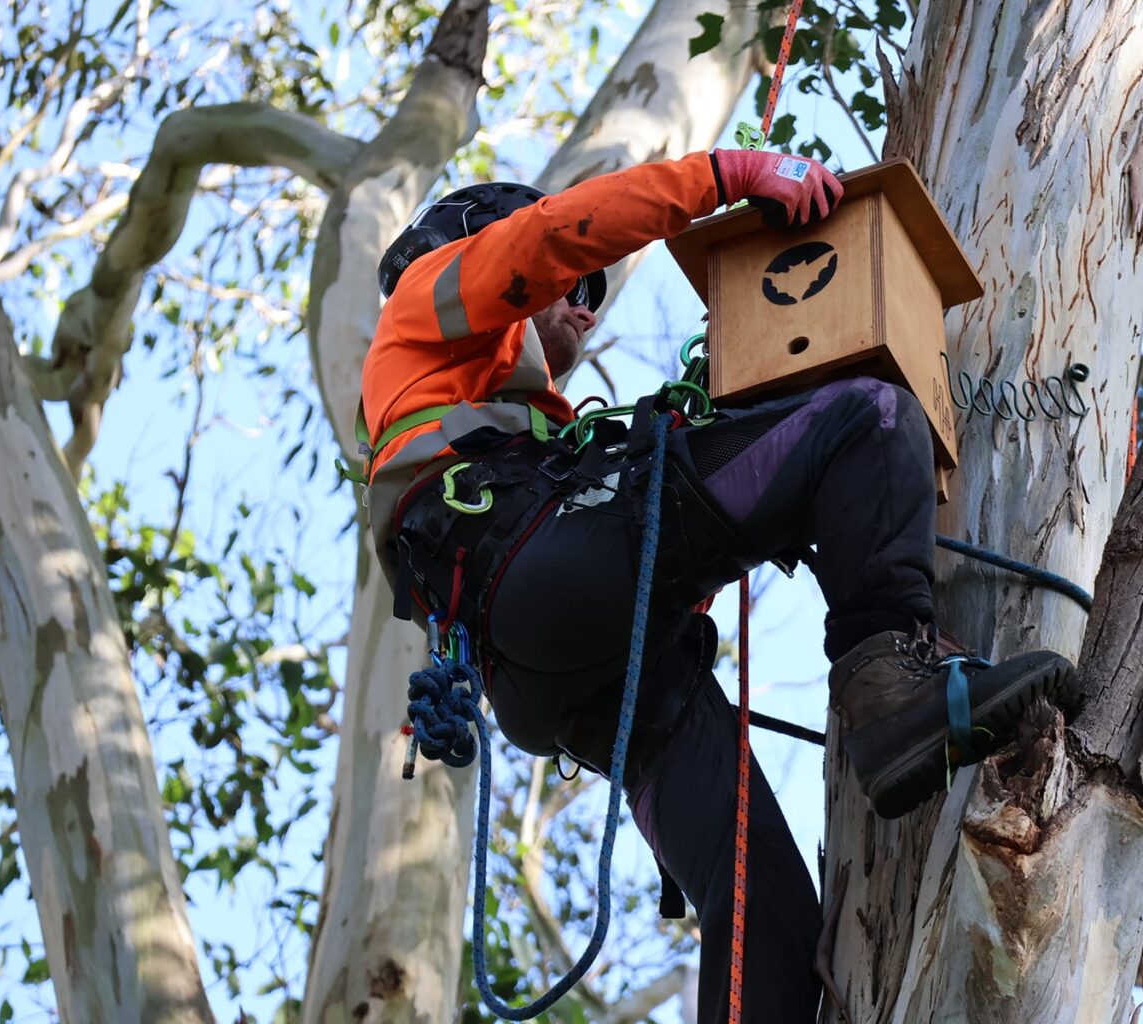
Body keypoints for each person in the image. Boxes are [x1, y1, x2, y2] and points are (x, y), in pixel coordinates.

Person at [359, 149, 1080, 1022]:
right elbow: (546, 237)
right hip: (544, 565)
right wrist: (733, 175)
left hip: (565, 674)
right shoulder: (430, 298)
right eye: (576, 290)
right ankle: (890, 682)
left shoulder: (487, 421)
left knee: (763, 921)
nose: (584, 313)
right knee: (871, 416)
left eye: (594, 297)